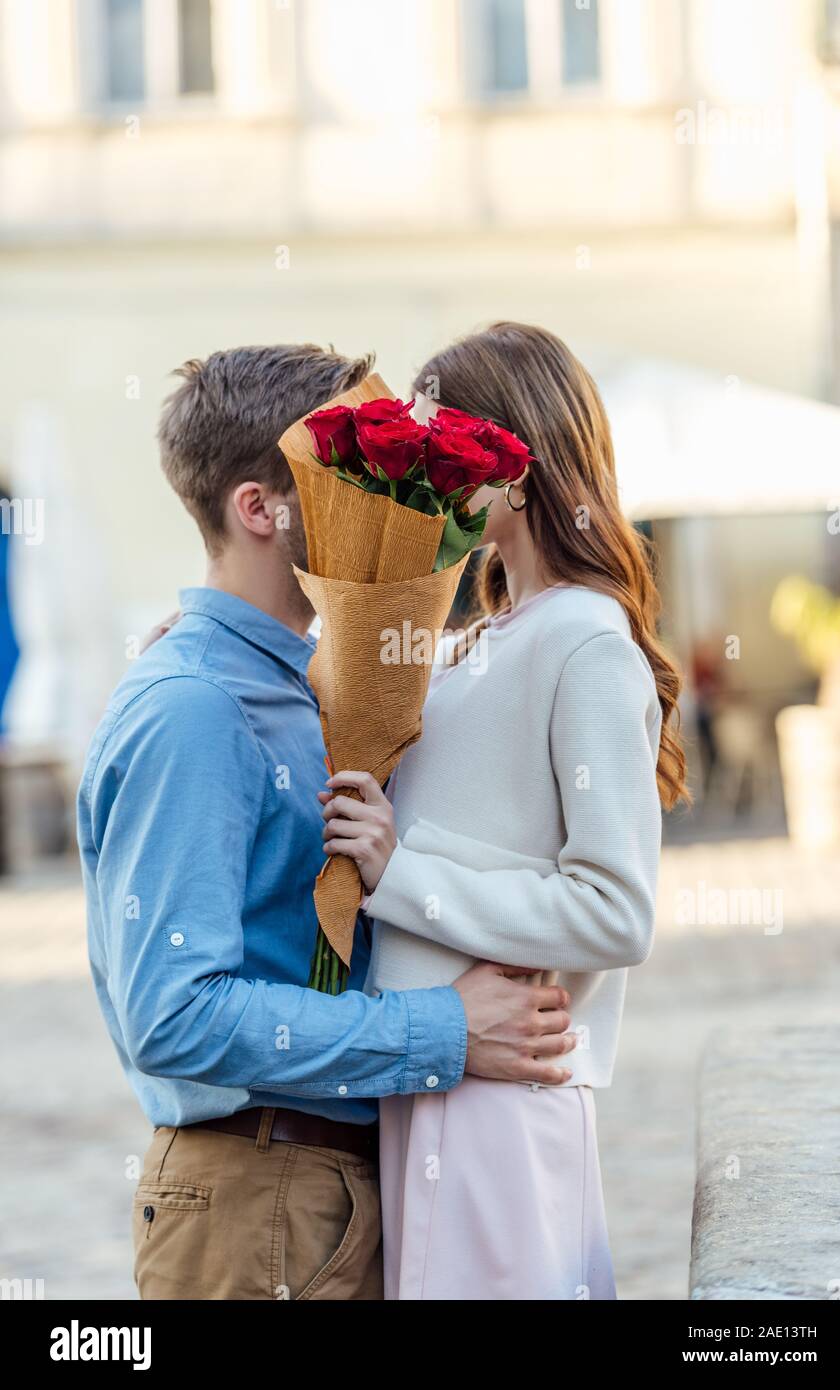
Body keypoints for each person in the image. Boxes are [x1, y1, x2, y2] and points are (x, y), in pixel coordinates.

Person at [77, 343, 575, 1302]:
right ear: (258, 509)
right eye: (344, 478)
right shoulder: (196, 705)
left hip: (315, 1189)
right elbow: (174, 1017)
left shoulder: (295, 682)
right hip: (255, 1198)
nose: (382, 502)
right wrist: (444, 1030)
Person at [321, 322, 689, 1300]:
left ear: (515, 469)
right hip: (431, 1075)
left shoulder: (585, 644)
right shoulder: (478, 641)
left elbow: (617, 911)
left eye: (445, 448)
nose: (428, 477)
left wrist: (406, 875)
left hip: (499, 1098)